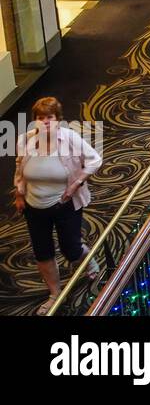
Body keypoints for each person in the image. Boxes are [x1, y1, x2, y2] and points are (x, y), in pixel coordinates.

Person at [12, 98, 103, 315]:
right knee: (42, 252)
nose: (44, 122)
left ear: (58, 120)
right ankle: (54, 294)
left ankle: (89, 263)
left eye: (49, 118)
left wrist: (76, 183)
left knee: (71, 249)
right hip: (34, 207)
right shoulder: (25, 141)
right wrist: (19, 193)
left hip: (64, 203)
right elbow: (19, 168)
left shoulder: (69, 138)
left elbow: (94, 160)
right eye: (39, 118)